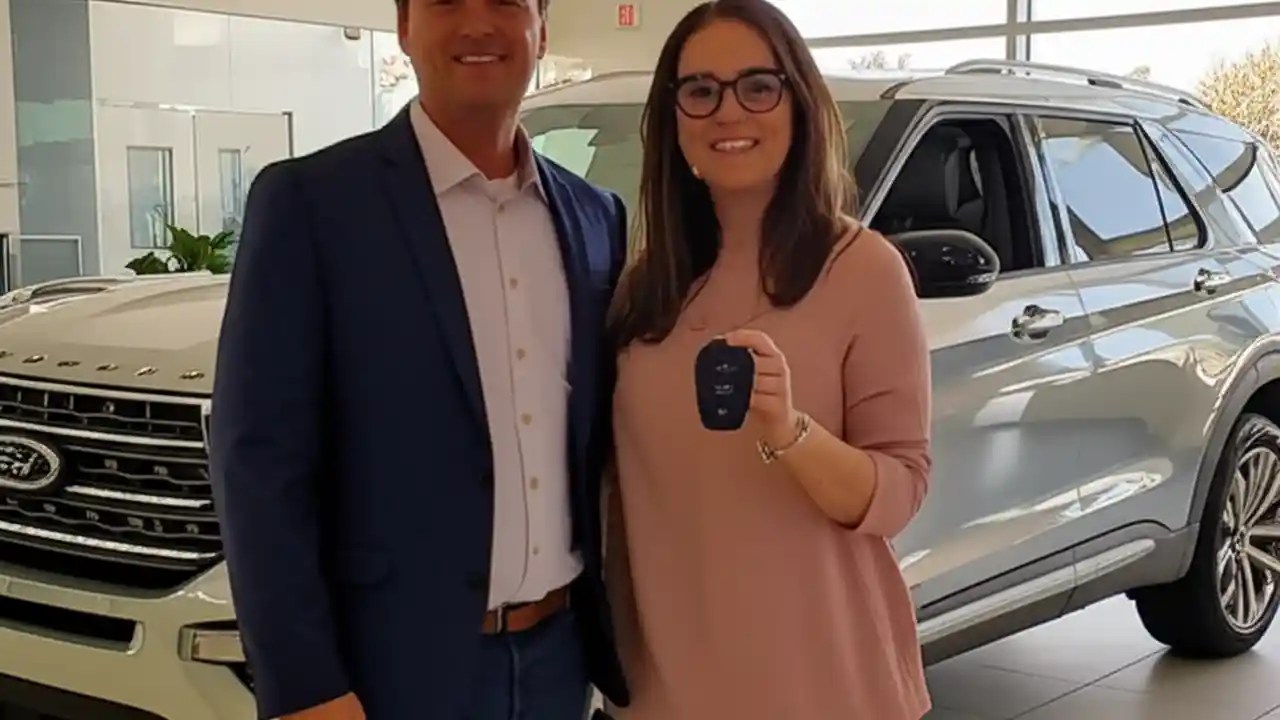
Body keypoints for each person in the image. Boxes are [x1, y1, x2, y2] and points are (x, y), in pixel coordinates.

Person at [209, 0, 631, 718]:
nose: (477, 24)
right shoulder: (312, 205)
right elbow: (259, 463)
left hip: (560, 664)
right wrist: (304, 684)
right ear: (404, 28)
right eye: (445, 3)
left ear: (542, 27)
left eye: (505, 2)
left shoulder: (596, 218)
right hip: (388, 671)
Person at [602, 0, 933, 718]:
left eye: (759, 85)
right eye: (700, 90)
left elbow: (900, 489)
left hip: (826, 682)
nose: (729, 111)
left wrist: (790, 433)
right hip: (667, 689)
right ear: (673, 117)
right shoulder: (642, 289)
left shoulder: (863, 271)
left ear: (798, 101)